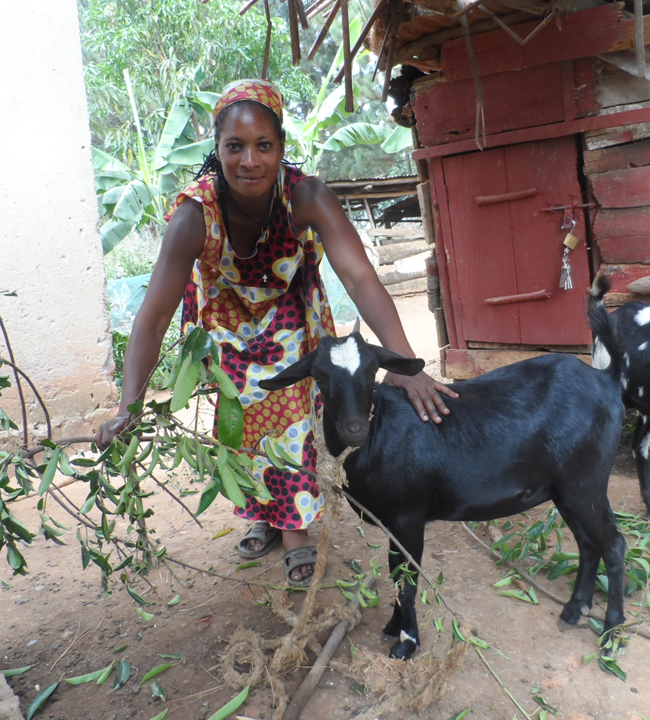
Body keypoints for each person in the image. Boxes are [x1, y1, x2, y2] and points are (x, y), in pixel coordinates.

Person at [95, 79, 457, 586]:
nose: (249, 160)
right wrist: (129, 403)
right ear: (216, 149)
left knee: (291, 412)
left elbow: (358, 277)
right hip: (226, 321)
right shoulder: (192, 215)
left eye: (263, 146)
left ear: (281, 148)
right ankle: (262, 514)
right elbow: (153, 315)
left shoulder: (306, 195)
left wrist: (402, 363)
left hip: (292, 313)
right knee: (242, 420)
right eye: (235, 147)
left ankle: (295, 531)